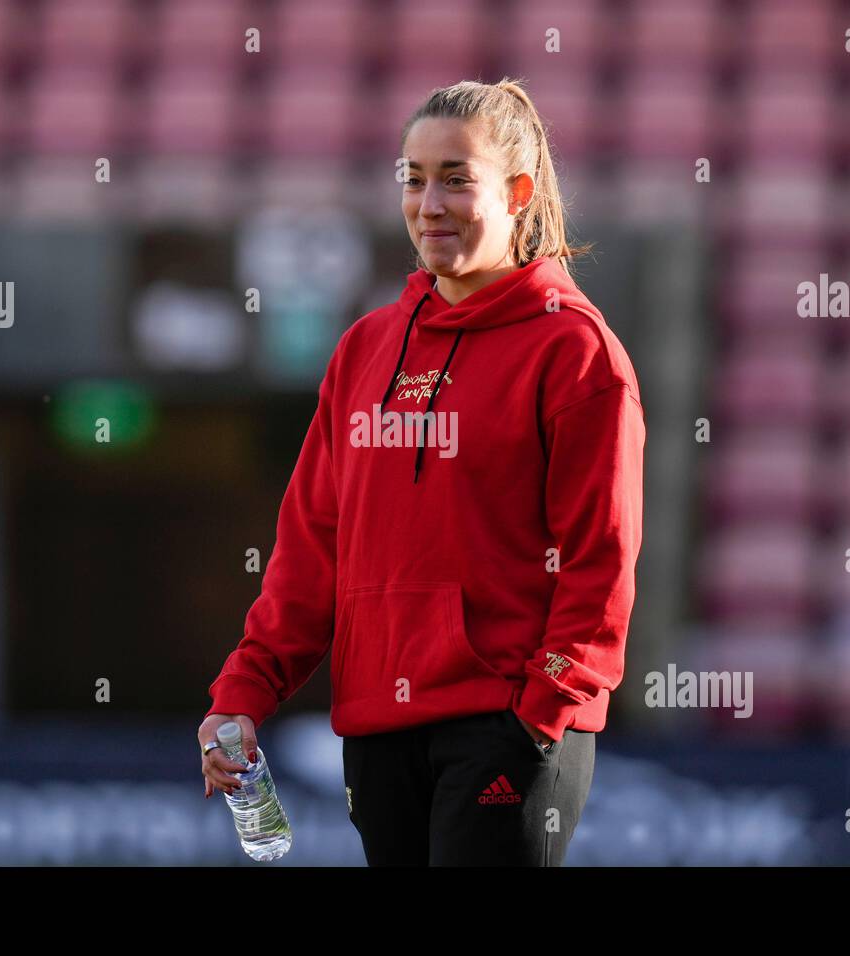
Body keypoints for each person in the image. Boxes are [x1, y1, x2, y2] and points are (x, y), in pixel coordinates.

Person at [199, 77, 645, 866]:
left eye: (455, 179)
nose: (428, 203)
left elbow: (599, 561)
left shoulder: (574, 352)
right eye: (413, 178)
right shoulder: (366, 347)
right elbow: (311, 552)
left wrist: (543, 705)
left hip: (506, 724)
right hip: (377, 730)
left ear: (517, 192)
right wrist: (243, 693)